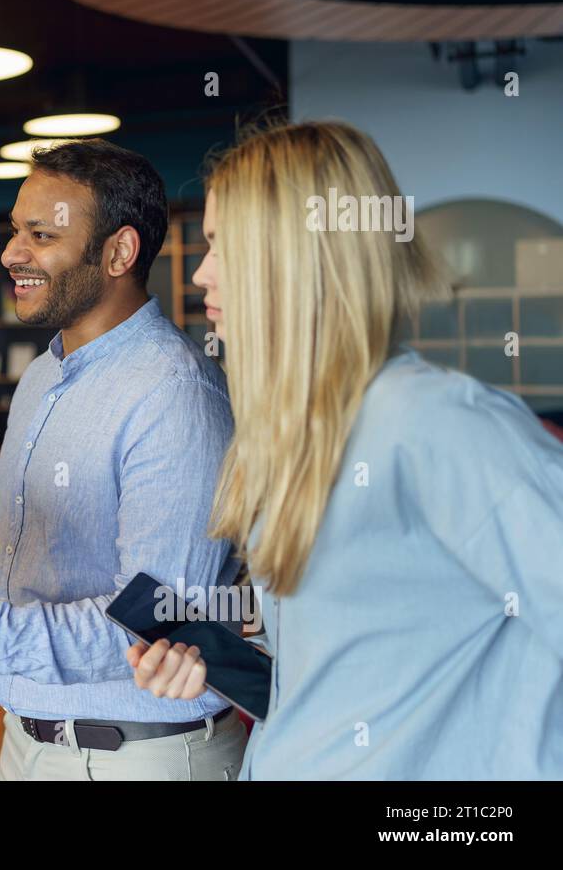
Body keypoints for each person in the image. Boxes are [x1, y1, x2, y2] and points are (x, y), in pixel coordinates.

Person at [129, 119, 563, 779]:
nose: (198, 273)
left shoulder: (440, 424)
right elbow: (350, 662)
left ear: (297, 255)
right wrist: (214, 660)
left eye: (222, 244)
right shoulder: (301, 432)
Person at [0, 139, 248, 780]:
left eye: (40, 234)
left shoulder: (175, 394)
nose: (11, 253)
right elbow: (34, 554)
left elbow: (155, 623)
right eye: (14, 231)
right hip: (29, 742)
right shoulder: (40, 377)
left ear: (118, 252)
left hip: (137, 757)